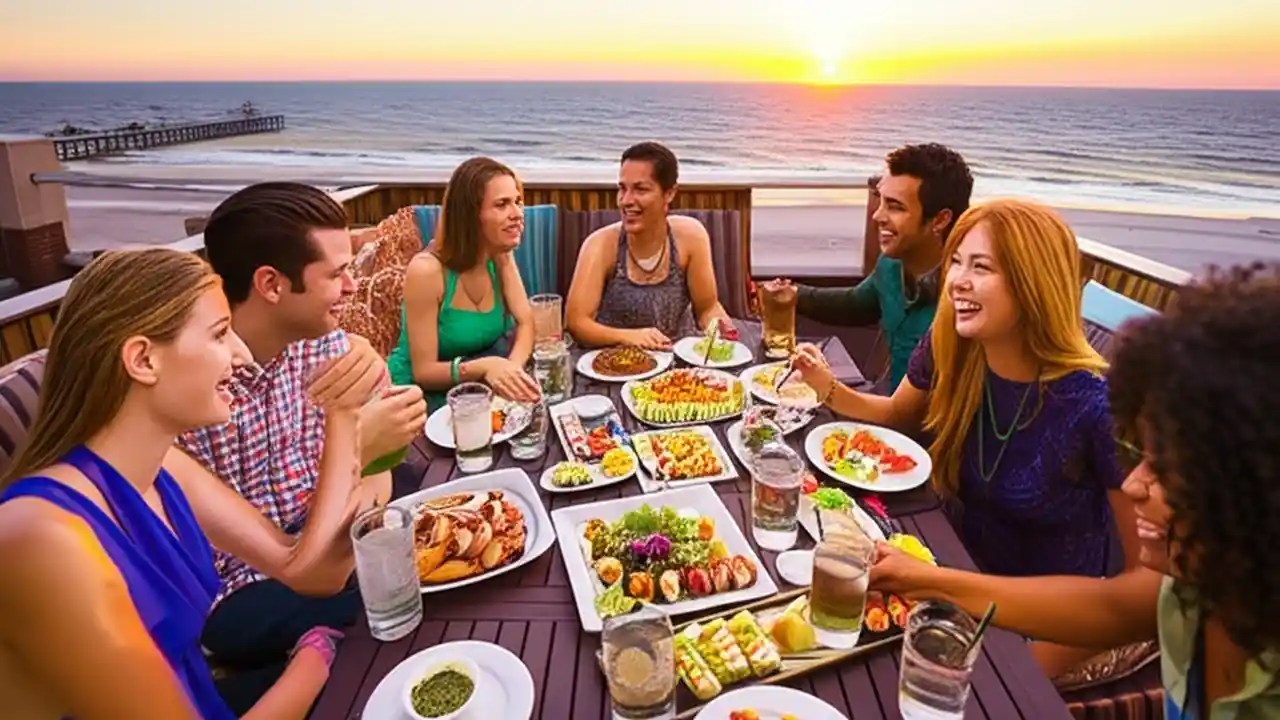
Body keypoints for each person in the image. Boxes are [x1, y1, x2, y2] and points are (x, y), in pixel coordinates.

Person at [872, 265, 1280, 717]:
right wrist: (921, 578)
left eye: (1166, 470)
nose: (1133, 483)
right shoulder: (1193, 591)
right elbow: (1110, 607)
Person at [0, 248, 375, 719]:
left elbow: (310, 571)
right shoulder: (42, 539)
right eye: (220, 335)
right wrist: (311, 665)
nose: (240, 355)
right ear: (143, 360)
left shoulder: (158, 469)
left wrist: (344, 414)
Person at [793, 199, 1137, 673]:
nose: (957, 281)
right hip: (953, 589)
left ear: (1033, 282)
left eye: (982, 266)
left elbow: (1143, 591)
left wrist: (1014, 669)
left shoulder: (1096, 408)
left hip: (1051, 633)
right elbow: (895, 418)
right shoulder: (953, 347)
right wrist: (825, 387)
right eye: (955, 261)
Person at [177, 182, 426, 712]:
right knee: (397, 584)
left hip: (325, 529)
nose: (353, 286)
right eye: (335, 274)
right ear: (270, 283)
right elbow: (299, 560)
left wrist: (373, 467)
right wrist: (363, 454)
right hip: (238, 589)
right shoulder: (197, 387)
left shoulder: (328, 344)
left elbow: (381, 469)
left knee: (420, 525)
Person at [769, 143, 973, 389]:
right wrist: (795, 295)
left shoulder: (965, 293)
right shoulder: (890, 264)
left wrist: (827, 387)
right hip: (885, 405)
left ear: (940, 220)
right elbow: (857, 304)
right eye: (881, 201)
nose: (877, 216)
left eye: (895, 207)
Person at [387, 157, 541, 411]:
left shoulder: (501, 254)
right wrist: (486, 367)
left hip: (477, 393)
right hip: (417, 398)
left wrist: (511, 373)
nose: (517, 214)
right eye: (502, 204)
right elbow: (423, 371)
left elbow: (526, 322)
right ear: (470, 215)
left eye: (517, 202)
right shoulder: (426, 271)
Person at [566, 141, 730, 349]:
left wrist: (719, 329)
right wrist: (628, 337)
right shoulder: (600, 245)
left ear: (669, 193)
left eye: (640, 190)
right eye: (622, 189)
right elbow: (577, 323)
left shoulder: (691, 236)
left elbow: (707, 308)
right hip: (616, 361)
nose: (626, 200)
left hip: (678, 358)